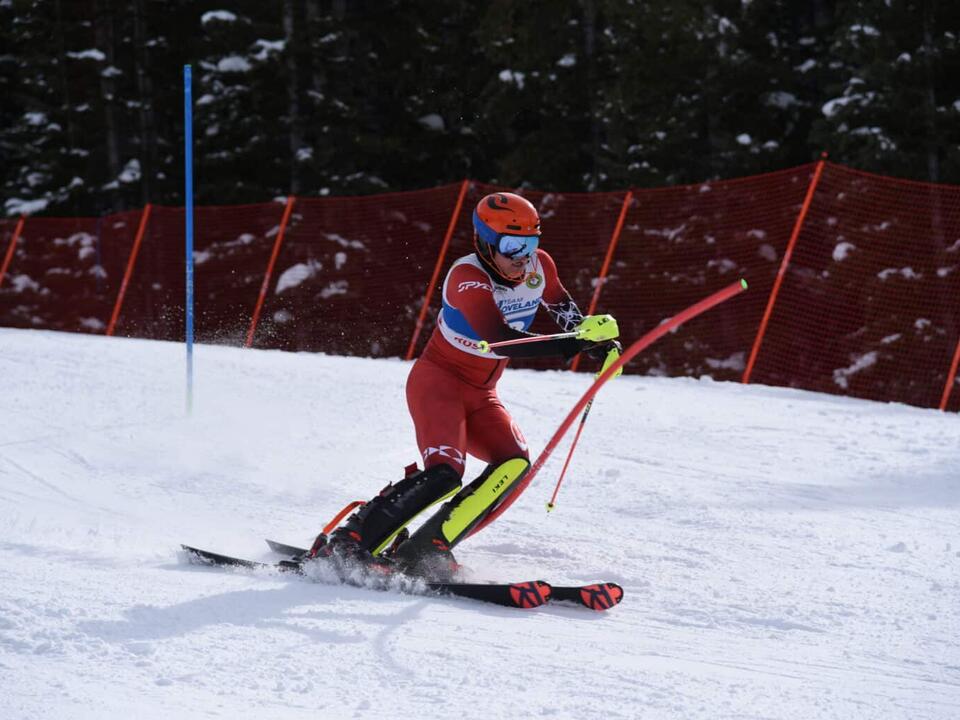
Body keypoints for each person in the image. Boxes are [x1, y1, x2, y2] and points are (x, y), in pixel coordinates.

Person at [304, 192, 622, 580]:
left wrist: (600, 345)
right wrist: (576, 344)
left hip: (482, 393)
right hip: (439, 384)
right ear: (486, 243)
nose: (523, 256)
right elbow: (498, 337)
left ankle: (428, 547)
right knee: (446, 472)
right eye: (512, 245)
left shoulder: (540, 267)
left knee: (514, 463)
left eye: (532, 244)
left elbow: (564, 311)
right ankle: (347, 541)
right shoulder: (466, 278)